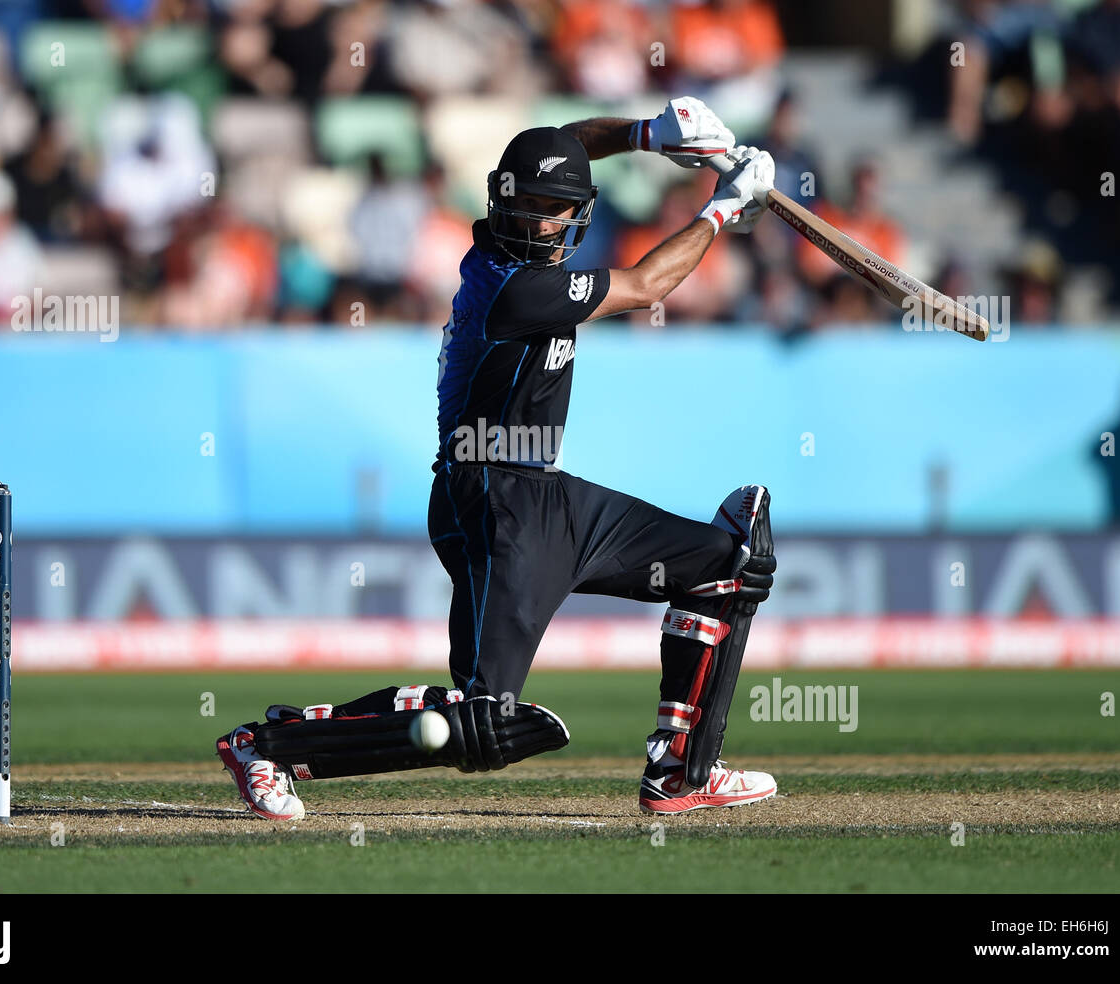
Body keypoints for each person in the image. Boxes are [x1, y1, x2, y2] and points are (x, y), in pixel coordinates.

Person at [217, 97, 779, 820]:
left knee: (729, 568)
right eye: (533, 205)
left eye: (558, 206)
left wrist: (649, 134)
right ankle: (268, 746)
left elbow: (564, 146)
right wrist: (723, 210)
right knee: (484, 724)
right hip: (492, 502)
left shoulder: (508, 245)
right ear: (502, 202)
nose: (544, 218)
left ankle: (682, 773)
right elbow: (647, 285)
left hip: (549, 493)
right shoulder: (515, 288)